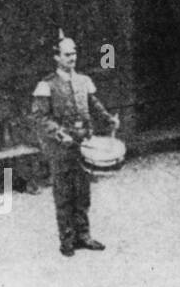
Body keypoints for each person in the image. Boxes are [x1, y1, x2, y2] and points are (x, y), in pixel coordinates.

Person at [31, 31, 118, 257]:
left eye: (75, 53)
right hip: (61, 148)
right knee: (63, 193)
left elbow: (94, 104)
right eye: (67, 54)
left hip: (83, 144)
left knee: (83, 192)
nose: (72, 58)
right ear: (57, 58)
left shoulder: (83, 81)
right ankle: (67, 239)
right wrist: (59, 133)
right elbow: (40, 117)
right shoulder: (46, 85)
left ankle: (84, 235)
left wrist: (109, 119)